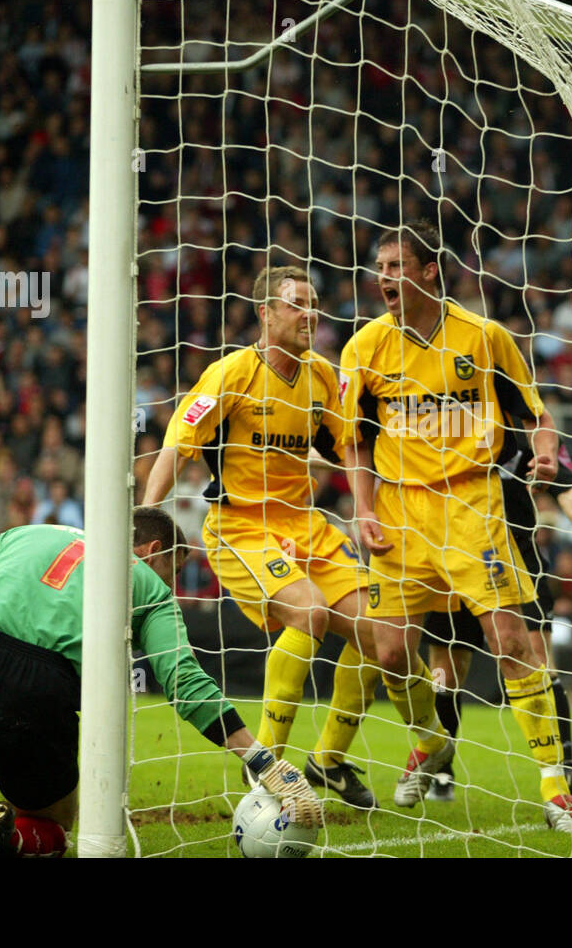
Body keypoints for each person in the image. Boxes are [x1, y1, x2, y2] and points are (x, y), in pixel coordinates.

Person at [0, 509, 323, 858]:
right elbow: (183, 681)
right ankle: (7, 839)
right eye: (173, 572)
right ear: (152, 552)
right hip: (34, 690)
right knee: (56, 822)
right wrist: (261, 759)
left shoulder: (27, 533)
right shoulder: (148, 586)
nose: (171, 584)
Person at [338, 219, 572, 831]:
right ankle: (432, 742)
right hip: (399, 512)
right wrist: (363, 508)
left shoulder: (484, 337)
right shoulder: (363, 349)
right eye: (380, 268)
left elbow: (537, 416)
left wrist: (545, 453)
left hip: (473, 504)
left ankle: (556, 788)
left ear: (429, 271)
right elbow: (355, 443)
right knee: (389, 652)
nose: (384, 278)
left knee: (510, 643)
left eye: (397, 266)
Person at [143, 266, 408, 811]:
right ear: (266, 313)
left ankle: (328, 761)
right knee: (309, 612)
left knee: (381, 637)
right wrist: (146, 516)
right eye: (297, 304)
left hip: (304, 525)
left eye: (314, 304)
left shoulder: (323, 376)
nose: (310, 314)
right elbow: (177, 445)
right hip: (241, 525)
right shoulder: (230, 373)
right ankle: (268, 768)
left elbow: (349, 445)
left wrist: (380, 493)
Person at [422, 439, 572, 803]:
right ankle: (440, 768)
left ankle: (564, 765)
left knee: (540, 658)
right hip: (454, 556)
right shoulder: (443, 429)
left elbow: (566, 484)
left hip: (519, 557)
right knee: (446, 670)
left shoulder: (526, 436)